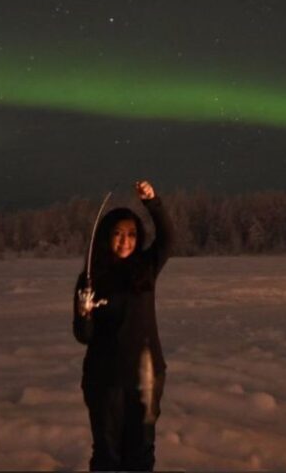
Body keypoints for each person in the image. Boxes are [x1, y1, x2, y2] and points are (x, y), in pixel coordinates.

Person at [73, 179, 174, 471]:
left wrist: (151, 202)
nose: (125, 241)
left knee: (141, 451)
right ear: (106, 237)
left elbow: (168, 238)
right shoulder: (91, 277)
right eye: (118, 234)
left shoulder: (147, 268)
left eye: (131, 234)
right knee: (107, 454)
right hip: (104, 379)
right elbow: (83, 335)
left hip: (146, 374)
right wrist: (85, 311)